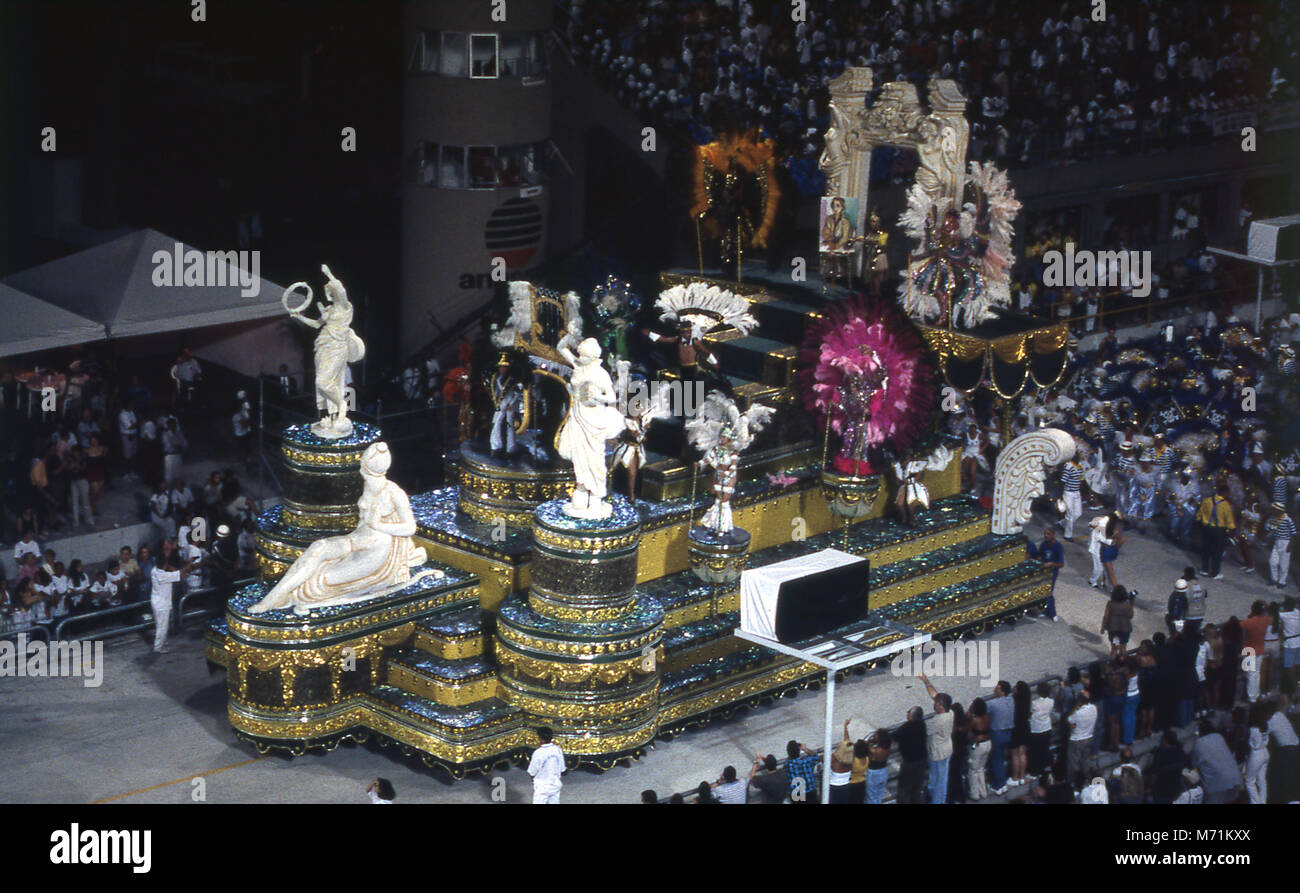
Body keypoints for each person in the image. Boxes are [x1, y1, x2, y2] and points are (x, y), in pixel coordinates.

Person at [918, 674, 953, 804]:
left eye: (936, 703)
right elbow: (935, 694)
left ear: (940, 706)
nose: (934, 703)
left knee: (939, 782)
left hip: (938, 754)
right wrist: (925, 681)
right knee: (938, 778)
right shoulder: (950, 712)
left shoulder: (938, 721)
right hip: (946, 749)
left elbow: (923, 730)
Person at [150, 552, 194, 654]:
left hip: (157, 601)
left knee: (160, 625)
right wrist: (190, 563)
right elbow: (181, 572)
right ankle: (158, 647)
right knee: (163, 627)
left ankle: (162, 643)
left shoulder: (154, 570)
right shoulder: (164, 575)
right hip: (162, 604)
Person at [1192, 719, 1243, 804]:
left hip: (1217, 784)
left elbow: (1194, 763)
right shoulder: (1219, 737)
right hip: (1234, 778)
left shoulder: (1199, 743)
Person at [1197, 484, 1235, 580]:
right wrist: (1232, 529)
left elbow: (1200, 513)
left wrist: (1199, 521)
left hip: (1207, 528)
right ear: (1224, 493)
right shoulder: (1225, 505)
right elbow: (1229, 520)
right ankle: (1214, 572)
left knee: (1206, 549)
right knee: (1217, 552)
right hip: (1219, 530)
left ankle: (1204, 569)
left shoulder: (1207, 500)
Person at [894, 705, 928, 804]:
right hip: (922, 761)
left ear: (911, 716)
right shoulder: (922, 724)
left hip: (910, 763)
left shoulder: (907, 727)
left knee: (904, 789)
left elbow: (894, 736)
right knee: (917, 788)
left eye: (908, 712)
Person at [987, 680, 1015, 794]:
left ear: (1002, 691)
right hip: (1009, 732)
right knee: (1001, 757)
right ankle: (1001, 782)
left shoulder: (993, 703)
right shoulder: (1012, 700)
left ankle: (999, 784)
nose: (995, 689)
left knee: (996, 759)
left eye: (997, 688)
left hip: (997, 733)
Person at [1241, 601, 1271, 704]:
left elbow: (1239, 626)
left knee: (1250, 674)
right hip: (1260, 648)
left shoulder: (1249, 622)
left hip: (1249, 649)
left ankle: (1251, 696)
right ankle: (1255, 694)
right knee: (1256, 673)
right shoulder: (1265, 620)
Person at [527, 727, 565, 804]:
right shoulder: (557, 750)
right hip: (555, 784)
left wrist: (533, 780)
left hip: (542, 787)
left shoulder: (538, 753)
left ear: (541, 739)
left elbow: (532, 771)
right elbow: (562, 768)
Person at [1034, 527, 1065, 622]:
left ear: (1053, 535)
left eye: (1048, 534)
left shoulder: (1058, 546)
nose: (1046, 536)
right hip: (1044, 571)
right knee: (1044, 591)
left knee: (1049, 592)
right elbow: (1040, 555)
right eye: (1045, 534)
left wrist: (1051, 564)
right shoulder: (1043, 544)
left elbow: (1061, 564)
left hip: (1052, 572)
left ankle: (1053, 613)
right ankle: (1046, 610)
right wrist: (1039, 558)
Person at [1066, 689, 1097, 781]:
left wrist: (1075, 708)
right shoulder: (1094, 708)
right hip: (1089, 737)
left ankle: (1075, 782)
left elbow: (1069, 720)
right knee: (1085, 761)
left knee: (1074, 764)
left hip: (1077, 739)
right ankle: (1086, 779)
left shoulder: (1078, 713)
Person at [1100, 586, 1134, 661]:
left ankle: (1112, 664)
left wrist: (1103, 627)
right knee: (1123, 647)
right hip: (1125, 628)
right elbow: (1131, 616)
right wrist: (1132, 605)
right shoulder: (1127, 604)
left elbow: (1106, 616)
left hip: (1113, 629)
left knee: (1114, 648)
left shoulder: (1110, 604)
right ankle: (1124, 663)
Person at [967, 697, 991, 801]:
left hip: (978, 745)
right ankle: (983, 791)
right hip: (988, 743)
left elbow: (968, 733)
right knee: (981, 768)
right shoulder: (987, 716)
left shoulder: (974, 719)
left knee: (973, 770)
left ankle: (974, 793)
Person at [1008, 681, 1032, 788]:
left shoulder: (1014, 702)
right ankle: (1022, 776)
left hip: (1016, 728)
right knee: (1022, 753)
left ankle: (1015, 777)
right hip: (1025, 728)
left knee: (1015, 754)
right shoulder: (1027, 701)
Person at [1266, 501, 1294, 588]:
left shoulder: (1287, 519)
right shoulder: (1273, 518)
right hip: (1277, 542)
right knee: (1273, 562)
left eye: (1274, 510)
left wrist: (1290, 545)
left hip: (1285, 542)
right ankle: (1274, 579)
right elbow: (1268, 528)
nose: (1273, 511)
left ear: (1279, 510)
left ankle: (1282, 582)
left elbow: (1293, 533)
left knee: (1283, 564)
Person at [1028, 682, 1054, 777]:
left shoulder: (1034, 703)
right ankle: (1046, 768)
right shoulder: (1051, 701)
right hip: (1047, 728)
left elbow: (1030, 714)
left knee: (1035, 752)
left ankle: (1035, 770)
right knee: (1045, 749)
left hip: (1036, 730)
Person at [1281, 597, 1300, 698]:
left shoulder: (1283, 615)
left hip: (1289, 643)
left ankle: (1293, 685)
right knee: (1298, 663)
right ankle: (1298, 680)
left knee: (1290, 666)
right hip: (1299, 641)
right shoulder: (1297, 613)